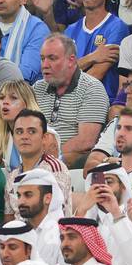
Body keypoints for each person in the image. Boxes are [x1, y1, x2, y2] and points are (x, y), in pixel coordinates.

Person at [32, 34, 110, 167]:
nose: (45, 65)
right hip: (37, 159)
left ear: (71, 60)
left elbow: (86, 142)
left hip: (70, 165)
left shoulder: (91, 87)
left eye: (52, 58)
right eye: (42, 58)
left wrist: (44, 158)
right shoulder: (37, 88)